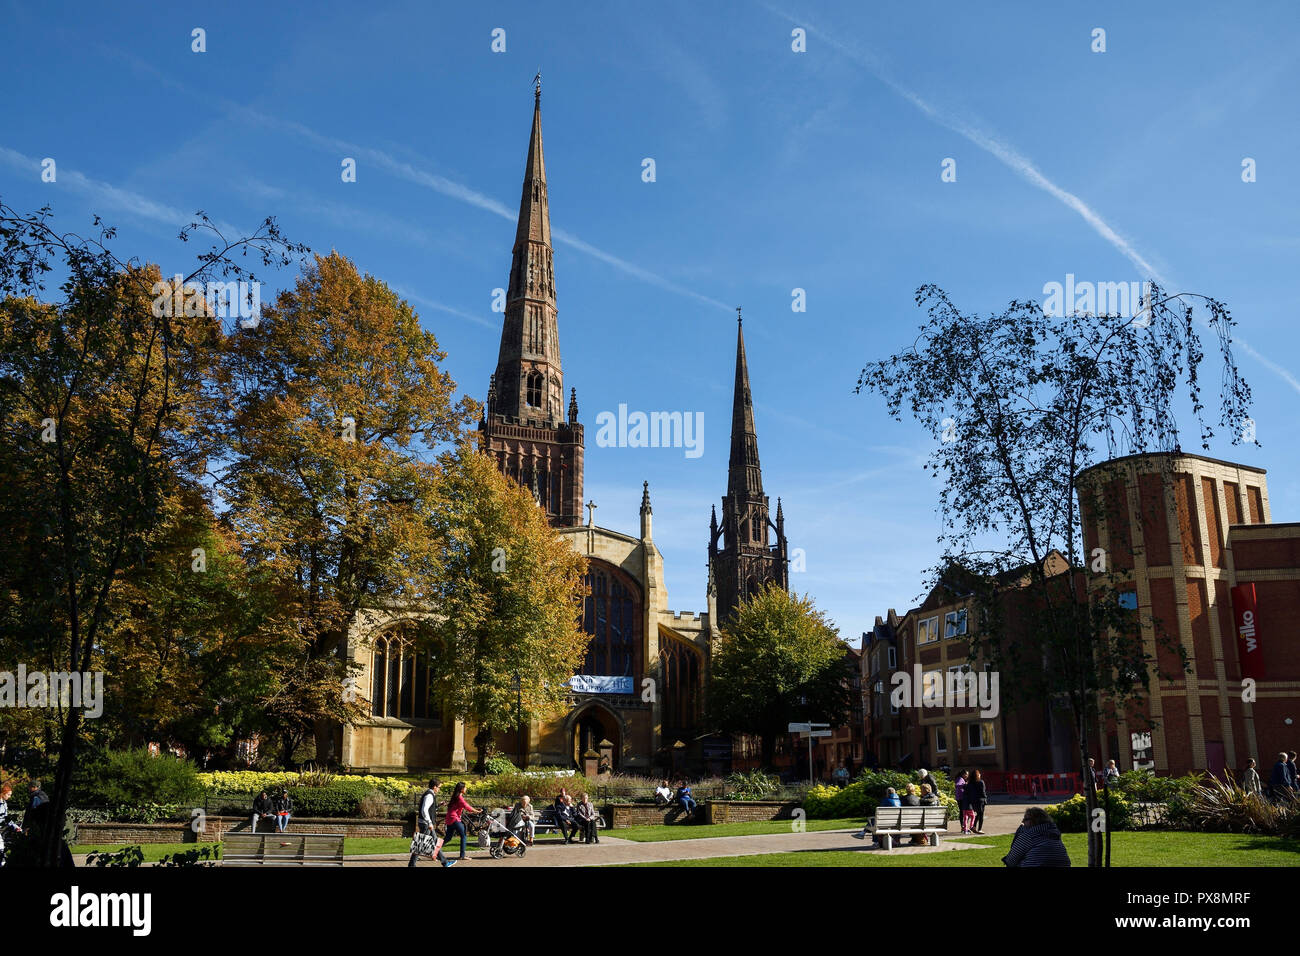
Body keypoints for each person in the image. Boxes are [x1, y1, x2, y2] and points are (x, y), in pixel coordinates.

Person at [1002, 807, 1071, 867]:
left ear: (1034, 821)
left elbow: (1010, 861)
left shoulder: (1028, 835)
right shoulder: (1054, 833)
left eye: (1026, 819)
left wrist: (1018, 835)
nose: (1022, 821)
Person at [409, 778, 453, 868]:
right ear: (434, 787)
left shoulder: (429, 794)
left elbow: (429, 809)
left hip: (426, 823)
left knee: (432, 842)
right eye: (439, 787)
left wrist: (438, 805)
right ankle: (444, 863)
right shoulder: (429, 795)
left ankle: (444, 862)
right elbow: (424, 810)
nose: (439, 789)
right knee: (421, 844)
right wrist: (429, 823)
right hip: (426, 824)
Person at [443, 782, 479, 859]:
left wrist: (475, 810)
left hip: (449, 819)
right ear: (462, 789)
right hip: (454, 818)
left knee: (448, 838)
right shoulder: (459, 798)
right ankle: (462, 856)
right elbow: (467, 807)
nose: (466, 788)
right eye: (465, 787)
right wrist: (477, 811)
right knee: (463, 835)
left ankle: (433, 850)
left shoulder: (455, 797)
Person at [967, 769, 988, 834]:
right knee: (981, 815)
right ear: (977, 775)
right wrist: (985, 799)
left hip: (973, 801)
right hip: (981, 800)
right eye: (979, 774)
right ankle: (979, 829)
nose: (980, 775)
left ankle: (973, 826)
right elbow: (983, 792)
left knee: (978, 814)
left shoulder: (970, 783)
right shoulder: (981, 782)